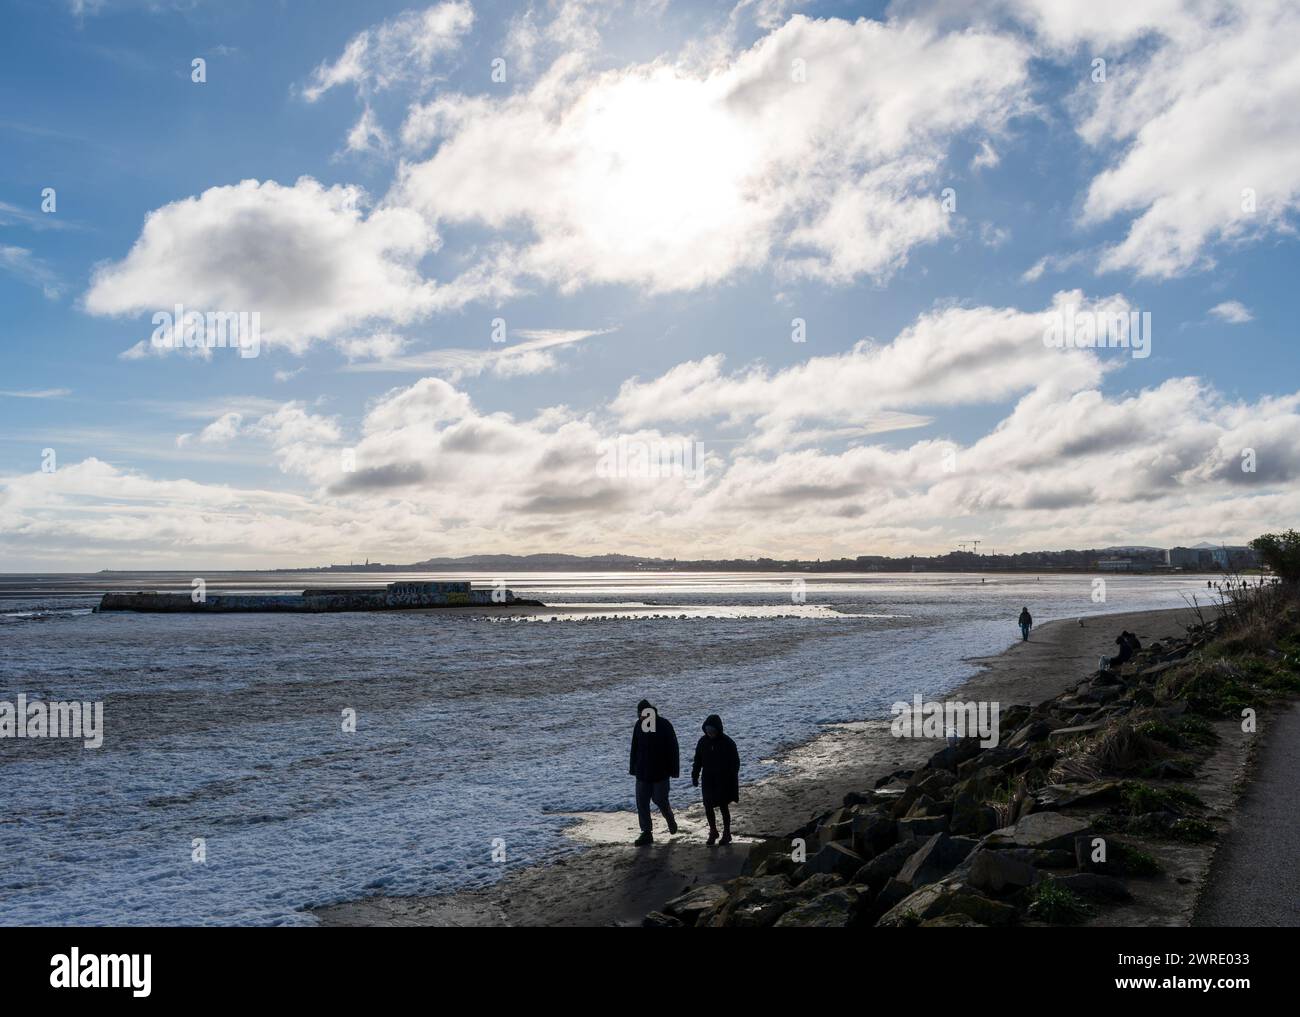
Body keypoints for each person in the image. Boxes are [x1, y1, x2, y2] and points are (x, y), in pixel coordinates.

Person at [629, 699, 679, 846]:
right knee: (642, 802)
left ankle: (669, 818)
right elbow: (634, 748)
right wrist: (633, 768)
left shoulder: (664, 725)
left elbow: (673, 748)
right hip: (642, 772)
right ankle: (646, 832)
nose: (641, 717)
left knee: (660, 799)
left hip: (661, 772)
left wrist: (674, 770)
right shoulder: (639, 726)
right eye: (639, 714)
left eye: (643, 713)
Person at [691, 714, 740, 846]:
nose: (710, 733)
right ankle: (713, 831)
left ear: (718, 729)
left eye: (712, 730)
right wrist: (695, 775)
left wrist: (731, 778)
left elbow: (735, 763)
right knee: (708, 806)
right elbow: (697, 761)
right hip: (707, 779)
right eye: (708, 730)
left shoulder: (728, 743)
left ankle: (727, 833)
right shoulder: (702, 742)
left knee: (723, 806)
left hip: (723, 780)